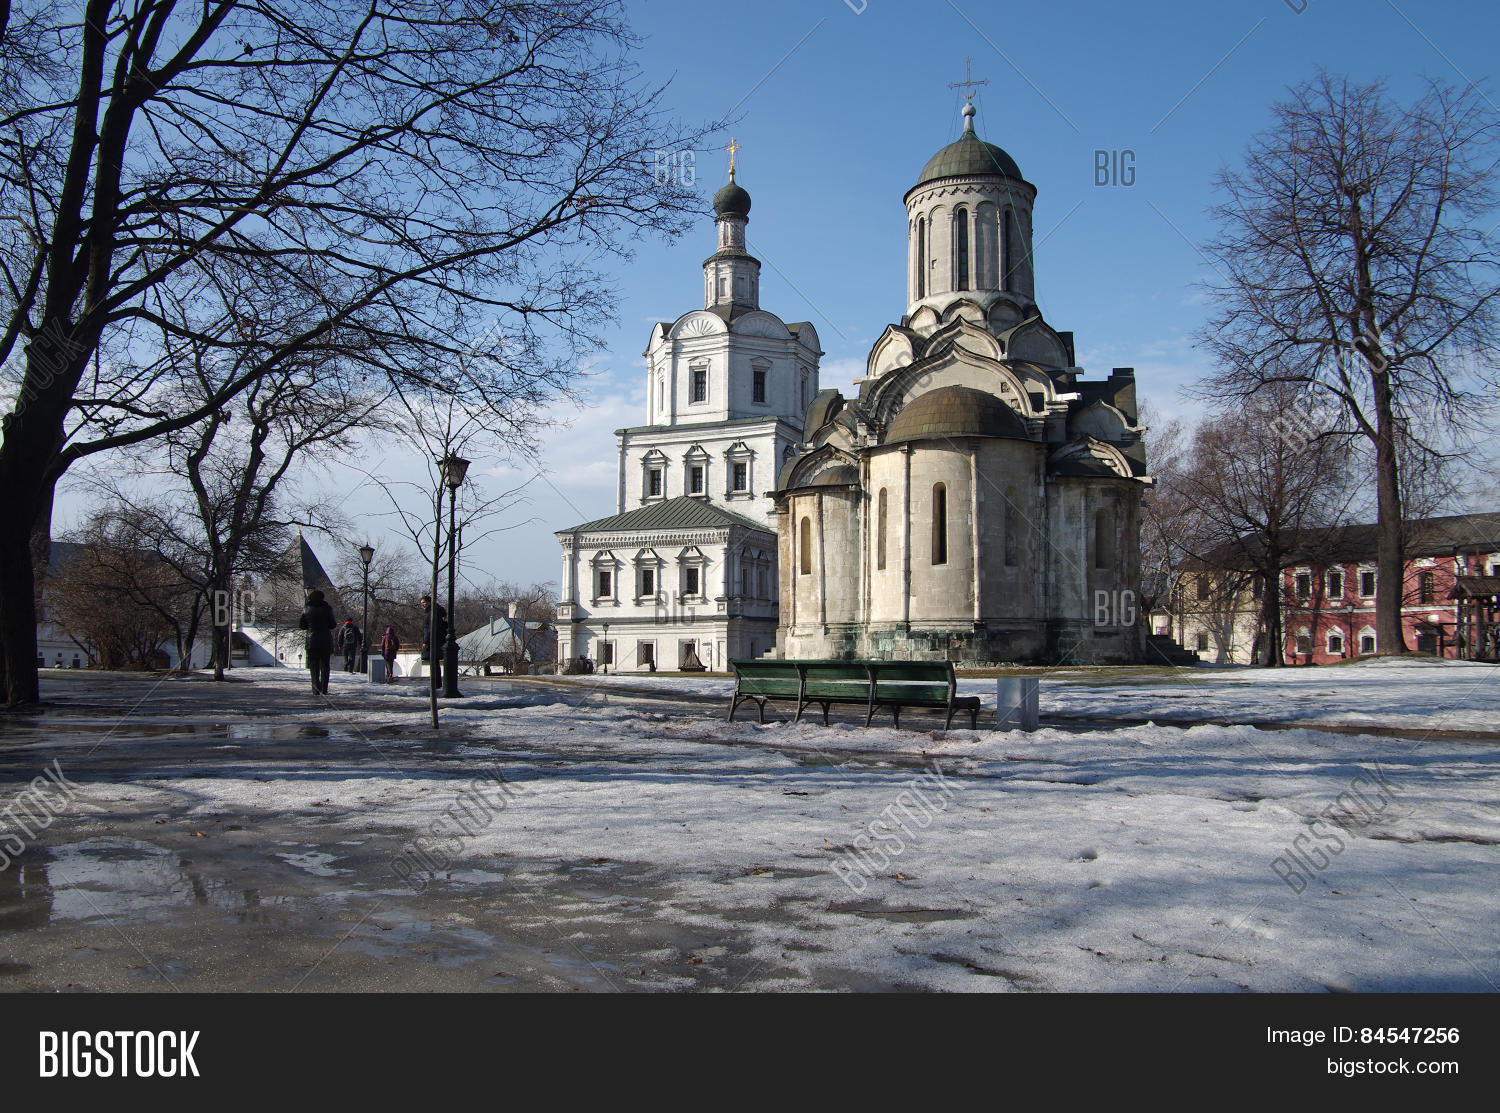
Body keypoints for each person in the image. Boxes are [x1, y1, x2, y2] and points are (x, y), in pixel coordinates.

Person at [298, 589, 337, 695]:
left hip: (312, 641)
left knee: (314, 666)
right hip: (325, 640)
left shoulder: (306, 608)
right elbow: (333, 624)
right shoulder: (327, 609)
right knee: (325, 665)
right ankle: (324, 688)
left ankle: (315, 688)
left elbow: (302, 625)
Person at [419, 594, 448, 688]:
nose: (422, 605)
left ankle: (435, 683)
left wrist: (425, 642)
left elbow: (429, 629)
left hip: (433, 641)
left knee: (433, 662)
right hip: (438, 640)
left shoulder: (431, 613)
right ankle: (437, 683)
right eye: (421, 603)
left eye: (424, 602)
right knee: (435, 662)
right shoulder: (436, 611)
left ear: (428, 602)